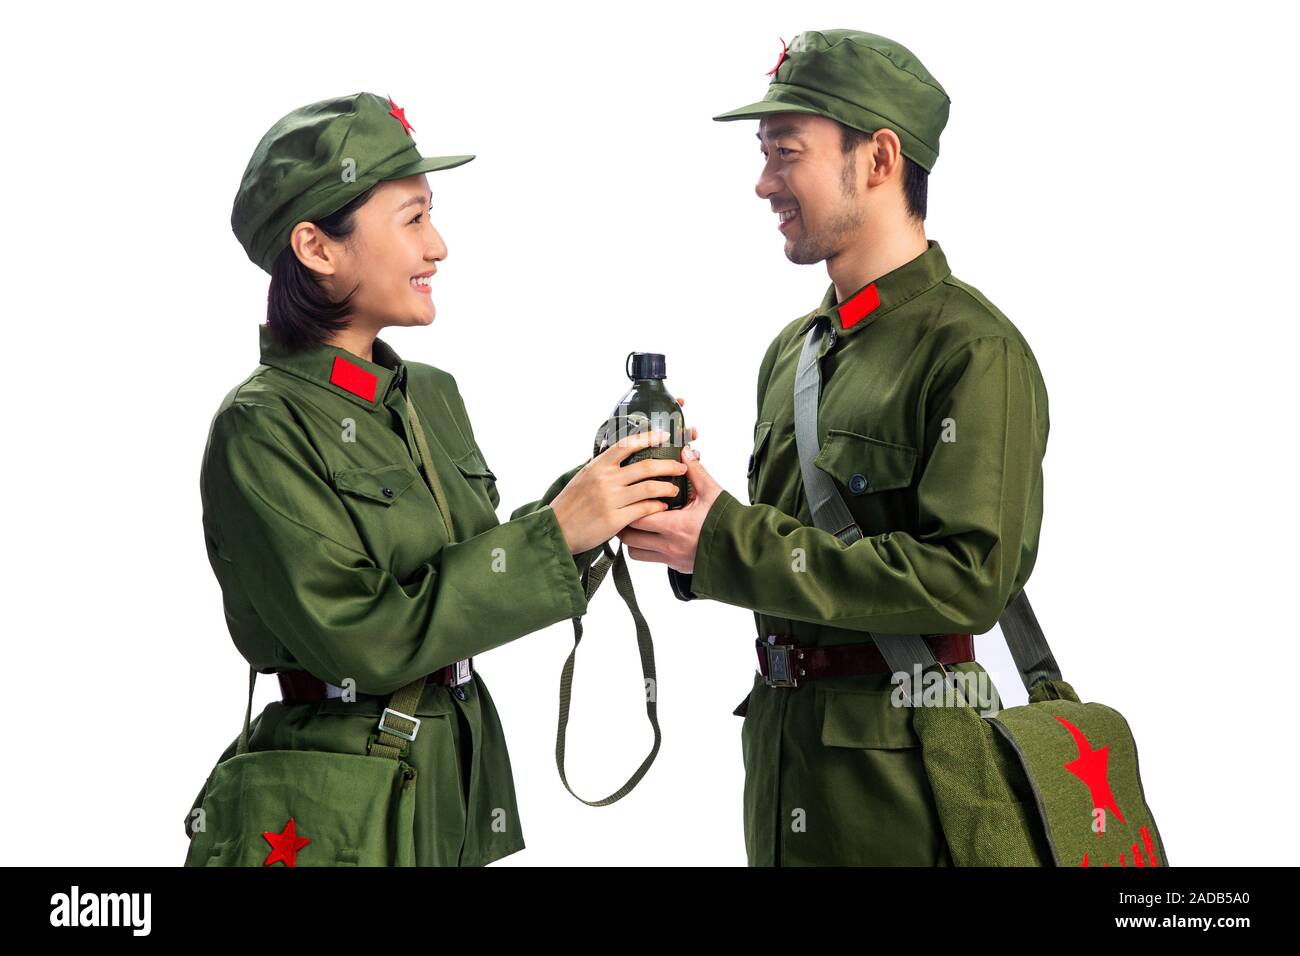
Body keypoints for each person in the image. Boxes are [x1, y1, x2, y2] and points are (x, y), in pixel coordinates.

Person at [182, 91, 693, 866]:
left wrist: (599, 491)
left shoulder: (429, 395)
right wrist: (560, 531)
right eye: (413, 218)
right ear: (318, 248)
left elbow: (475, 571)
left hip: (454, 769)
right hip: (339, 795)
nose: (440, 245)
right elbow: (363, 639)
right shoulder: (262, 425)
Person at [621, 30, 1050, 865]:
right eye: (762, 154)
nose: (762, 183)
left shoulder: (974, 351)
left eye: (786, 153)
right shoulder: (795, 351)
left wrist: (731, 542)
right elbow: (788, 562)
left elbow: (968, 582)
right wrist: (687, 533)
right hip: (784, 758)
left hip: (910, 781)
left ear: (881, 158)